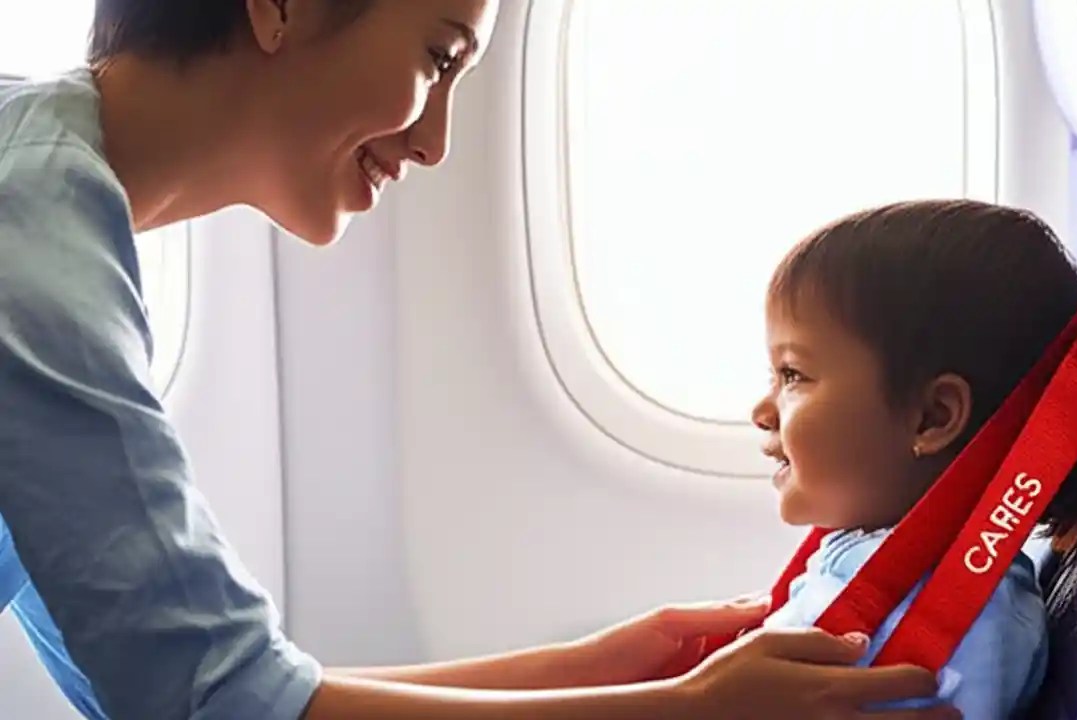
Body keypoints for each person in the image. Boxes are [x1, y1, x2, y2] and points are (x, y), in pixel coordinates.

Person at [0, 1, 960, 718]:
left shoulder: (52, 205)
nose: (436, 139)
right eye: (437, 58)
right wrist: (686, 711)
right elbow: (223, 703)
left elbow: (164, 686)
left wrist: (610, 665)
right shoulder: (33, 238)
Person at [750, 199, 1077, 718]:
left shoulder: (965, 625)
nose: (761, 409)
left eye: (793, 375)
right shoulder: (876, 565)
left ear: (932, 418)